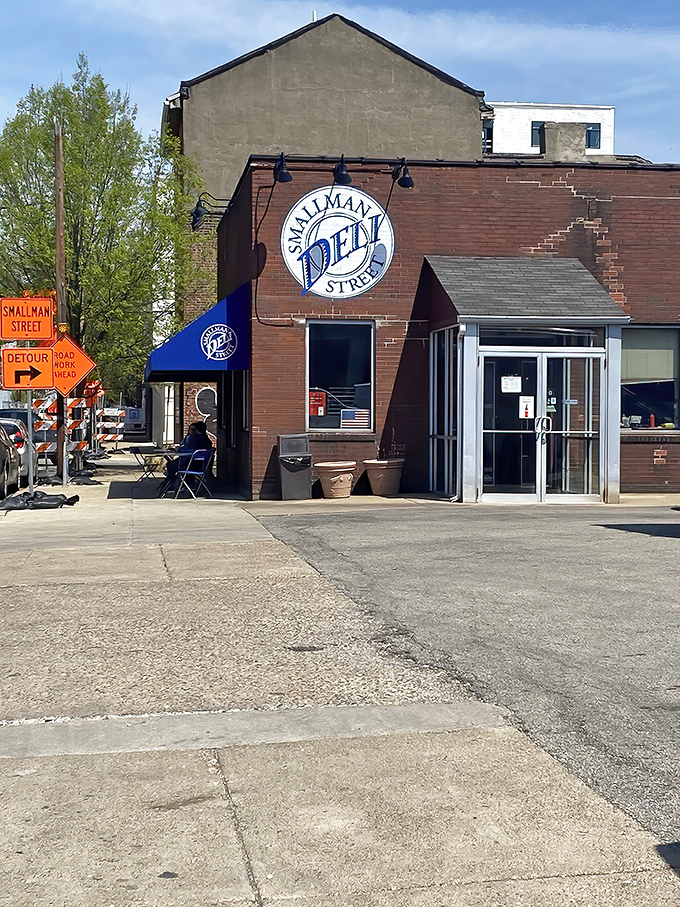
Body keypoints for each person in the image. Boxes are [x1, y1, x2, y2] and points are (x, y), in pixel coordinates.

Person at [158, 422, 213, 494]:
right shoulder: (206, 440)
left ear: (196, 430)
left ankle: (170, 482)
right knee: (176, 463)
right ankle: (183, 484)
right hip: (201, 466)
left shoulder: (193, 438)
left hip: (189, 465)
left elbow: (185, 450)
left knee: (171, 464)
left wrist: (178, 449)